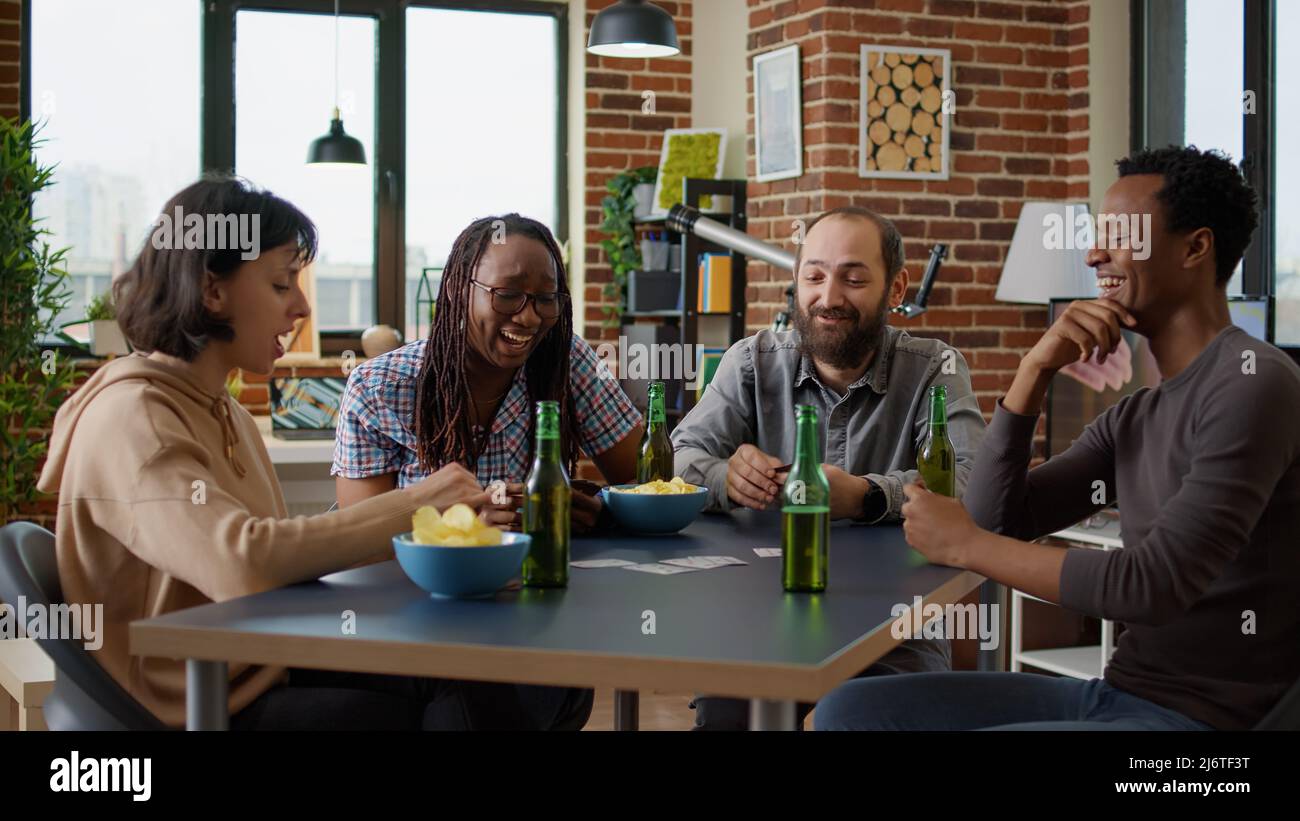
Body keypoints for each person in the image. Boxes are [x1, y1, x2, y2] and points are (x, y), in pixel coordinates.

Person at [36, 177, 589, 730]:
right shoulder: (134, 417)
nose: (302, 306)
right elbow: (244, 562)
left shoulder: (219, 408)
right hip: (202, 702)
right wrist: (422, 504)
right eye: (281, 285)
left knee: (526, 676)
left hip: (261, 663)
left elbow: (270, 556)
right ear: (212, 291)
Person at [816, 146, 1300, 731]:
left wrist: (962, 544)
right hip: (1119, 696)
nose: (1096, 254)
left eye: (1120, 236)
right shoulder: (1137, 416)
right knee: (845, 713)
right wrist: (1032, 374)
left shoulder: (1253, 381)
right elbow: (997, 518)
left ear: (1195, 248)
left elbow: (1152, 585)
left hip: (1206, 730)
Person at [671, 206, 986, 730]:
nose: (829, 297)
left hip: (894, 629)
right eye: (813, 276)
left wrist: (864, 496)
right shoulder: (751, 362)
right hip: (758, 616)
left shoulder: (936, 367)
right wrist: (727, 476)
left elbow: (970, 484)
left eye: (854, 278)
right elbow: (679, 460)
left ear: (897, 287)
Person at [333, 213, 643, 534]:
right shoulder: (379, 388)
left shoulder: (567, 362)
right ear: (457, 289)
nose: (529, 317)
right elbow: (360, 539)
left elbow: (651, 483)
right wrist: (469, 529)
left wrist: (604, 512)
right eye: (507, 295)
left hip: (545, 578)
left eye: (547, 299)